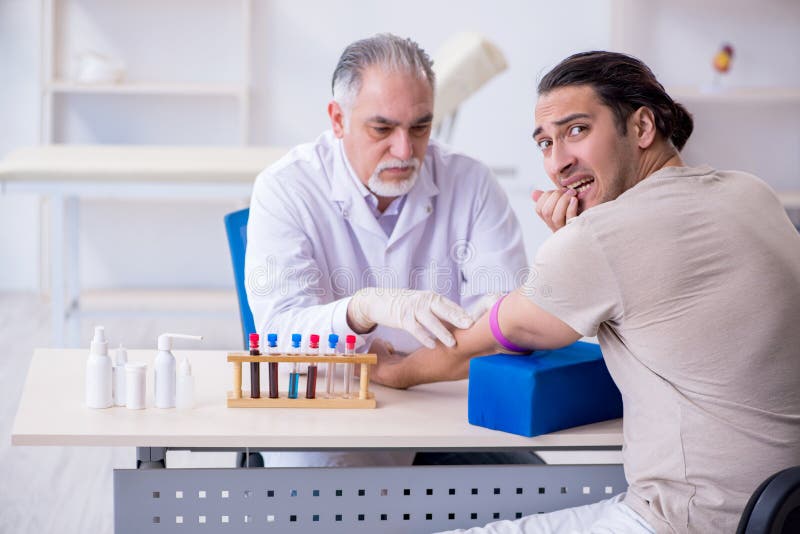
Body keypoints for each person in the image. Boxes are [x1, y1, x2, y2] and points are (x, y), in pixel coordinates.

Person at [372, 51, 800, 533]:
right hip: (781, 512)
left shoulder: (603, 237)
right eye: (544, 142)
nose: (558, 162)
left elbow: (478, 345)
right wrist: (577, 247)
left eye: (577, 130)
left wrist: (392, 370)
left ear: (641, 128)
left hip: (688, 522)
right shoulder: (751, 192)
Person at [244, 34, 529, 466]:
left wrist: (405, 372)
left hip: (444, 412)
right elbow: (280, 336)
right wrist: (361, 310)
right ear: (338, 120)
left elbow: (509, 327)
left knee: (534, 493)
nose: (404, 150)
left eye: (420, 127)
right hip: (327, 421)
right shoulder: (285, 188)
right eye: (382, 128)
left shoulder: (471, 183)